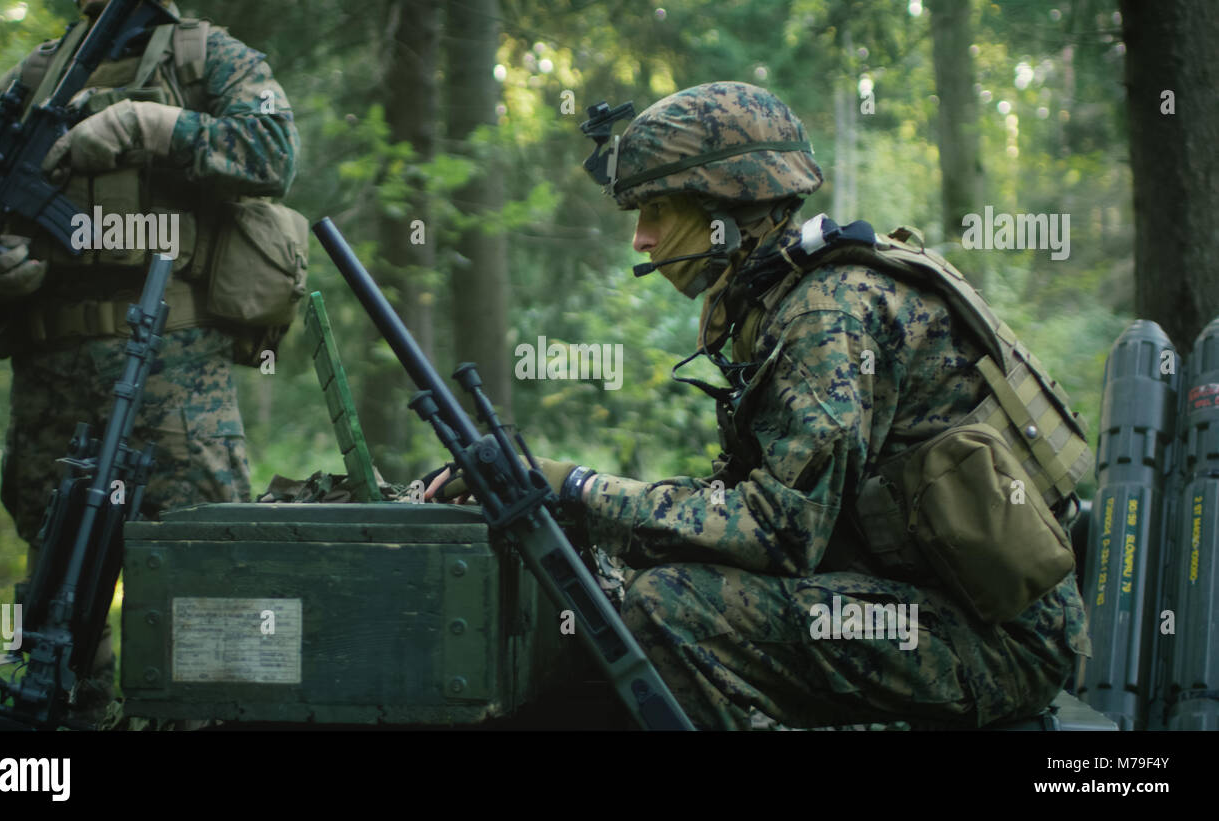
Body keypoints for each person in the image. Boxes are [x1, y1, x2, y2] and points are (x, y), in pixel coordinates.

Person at [431, 81, 1092, 730]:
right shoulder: (780, 300)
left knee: (673, 606)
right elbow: (745, 509)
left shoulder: (827, 312)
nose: (641, 238)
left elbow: (778, 533)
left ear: (725, 208)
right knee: (650, 579)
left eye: (656, 211)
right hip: (939, 606)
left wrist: (576, 486)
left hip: (998, 642)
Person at [0, 0, 300, 723]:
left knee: (205, 562)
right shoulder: (36, 74)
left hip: (175, 362)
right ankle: (61, 723)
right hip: (52, 366)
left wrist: (151, 125)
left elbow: (274, 154)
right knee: (57, 575)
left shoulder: (206, 56)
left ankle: (209, 715)